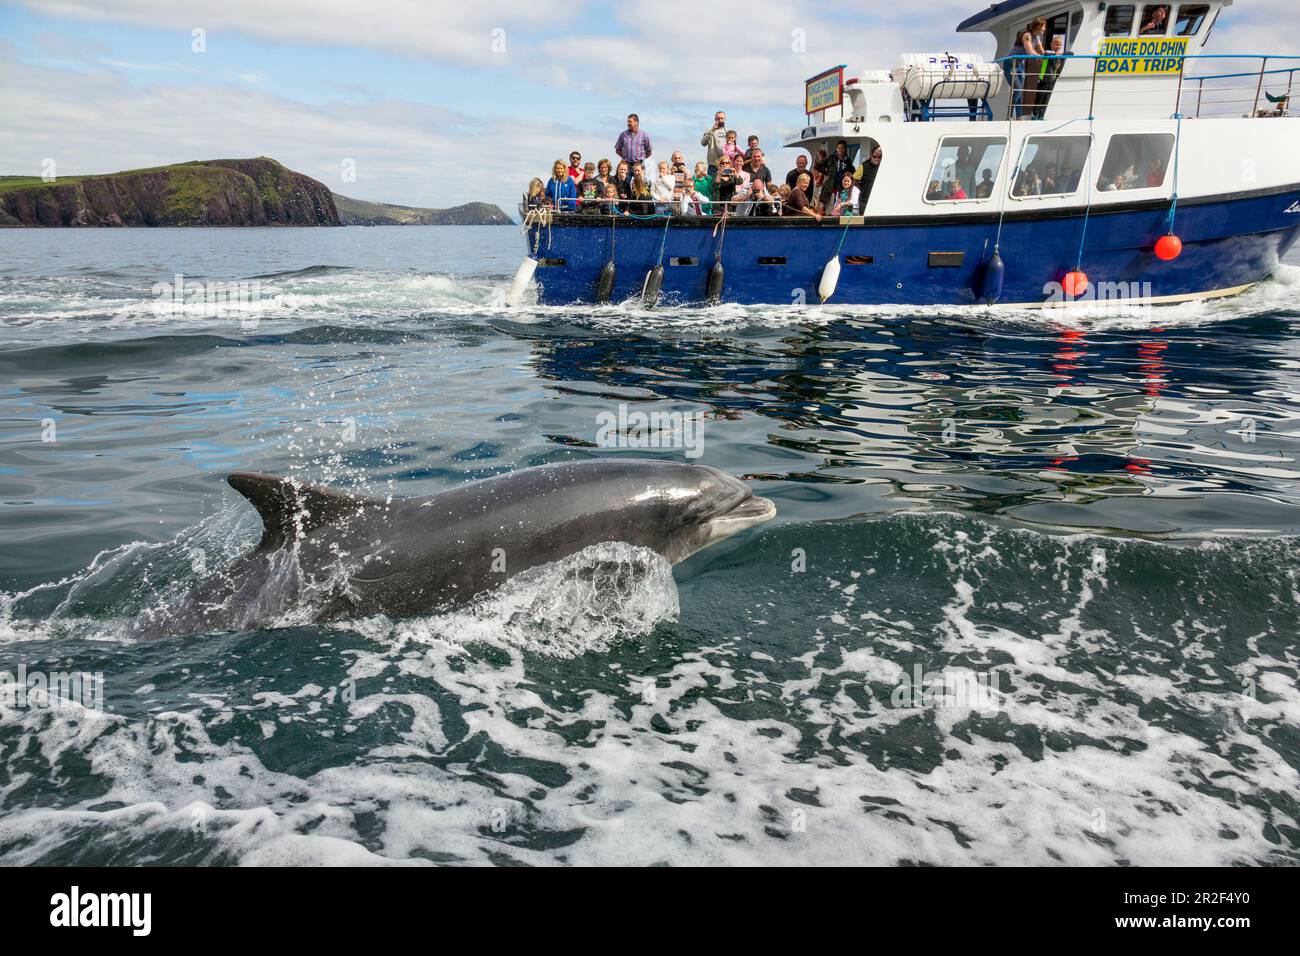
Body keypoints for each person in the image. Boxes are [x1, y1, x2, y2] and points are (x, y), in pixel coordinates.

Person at [1034, 36, 1065, 118]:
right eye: (1056, 44)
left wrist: (1062, 55)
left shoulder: (1060, 55)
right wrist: (1057, 54)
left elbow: (1069, 54)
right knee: (1039, 98)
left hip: (1052, 80)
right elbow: (1046, 54)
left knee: (1046, 99)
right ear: (1051, 44)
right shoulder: (1048, 52)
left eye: (1060, 45)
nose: (1058, 46)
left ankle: (1041, 115)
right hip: (1043, 79)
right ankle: (1035, 114)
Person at [853, 144, 882, 213]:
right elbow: (854, 180)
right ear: (871, 156)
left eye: (879, 157)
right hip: (864, 201)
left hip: (878, 200)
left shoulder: (882, 166)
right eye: (875, 156)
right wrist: (862, 189)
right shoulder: (863, 166)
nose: (877, 159)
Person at [700, 111, 728, 175]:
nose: (720, 120)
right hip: (713, 165)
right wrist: (712, 131)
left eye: (721, 118)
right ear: (715, 119)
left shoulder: (728, 131)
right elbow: (703, 143)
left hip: (725, 164)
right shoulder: (709, 130)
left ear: (725, 119)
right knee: (712, 184)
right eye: (718, 118)